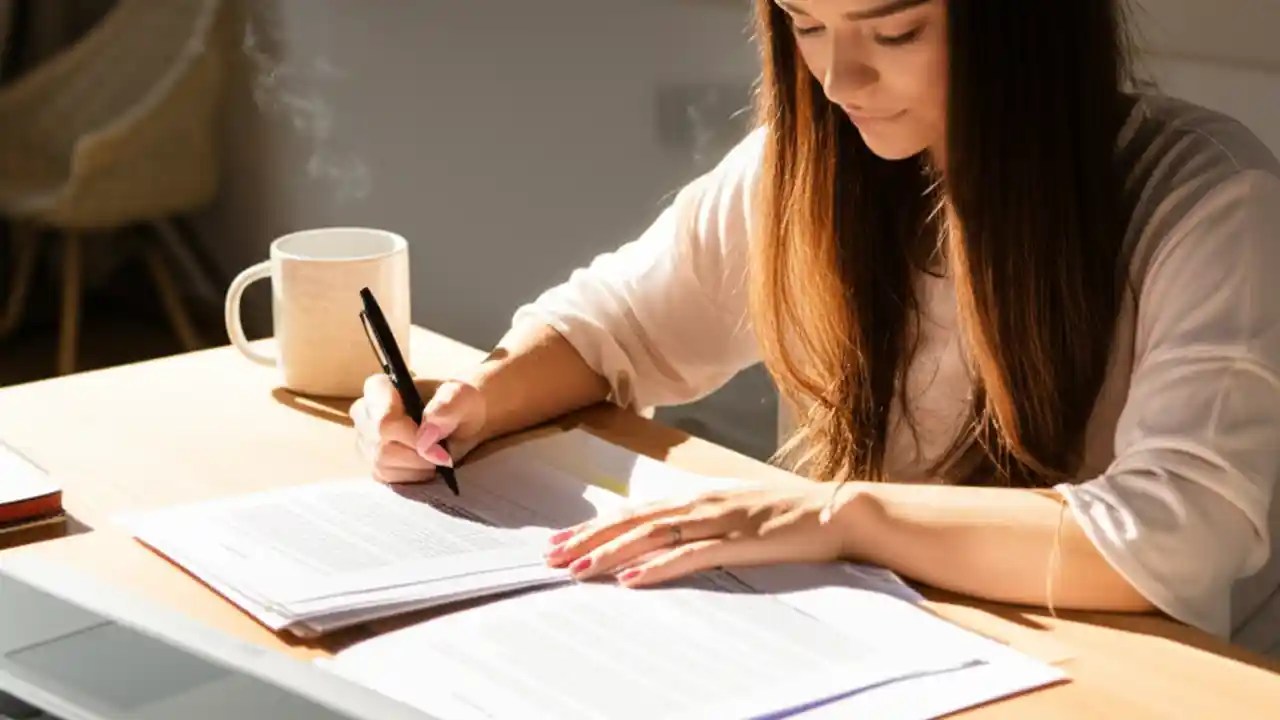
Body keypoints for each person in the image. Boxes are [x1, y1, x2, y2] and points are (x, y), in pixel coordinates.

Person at [350, 0, 1280, 656]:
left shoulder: (1208, 202)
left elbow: (1175, 535)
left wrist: (838, 514)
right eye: (804, 23)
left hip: (1145, 674)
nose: (840, 77)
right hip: (906, 643)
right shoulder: (812, 166)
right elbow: (612, 328)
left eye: (896, 28)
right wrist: (477, 396)